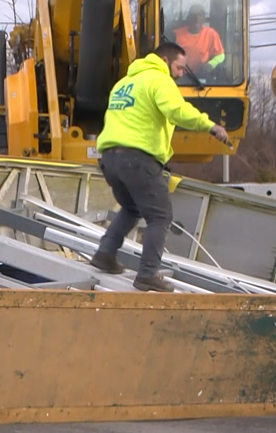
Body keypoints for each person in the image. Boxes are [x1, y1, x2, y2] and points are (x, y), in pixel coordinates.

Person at [89, 42, 229, 292]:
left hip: (109, 159)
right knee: (160, 216)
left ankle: (105, 254)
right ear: (165, 60)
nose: (180, 74)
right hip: (137, 158)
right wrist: (209, 126)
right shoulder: (159, 79)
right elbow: (177, 111)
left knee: (131, 207)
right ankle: (147, 274)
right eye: (179, 67)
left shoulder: (124, 83)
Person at [172, 4, 225, 77]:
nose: (197, 18)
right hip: (181, 76)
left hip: (202, 76)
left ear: (204, 19)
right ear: (188, 18)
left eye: (199, 15)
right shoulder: (175, 34)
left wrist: (210, 64)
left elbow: (220, 55)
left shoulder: (211, 34)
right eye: (193, 15)